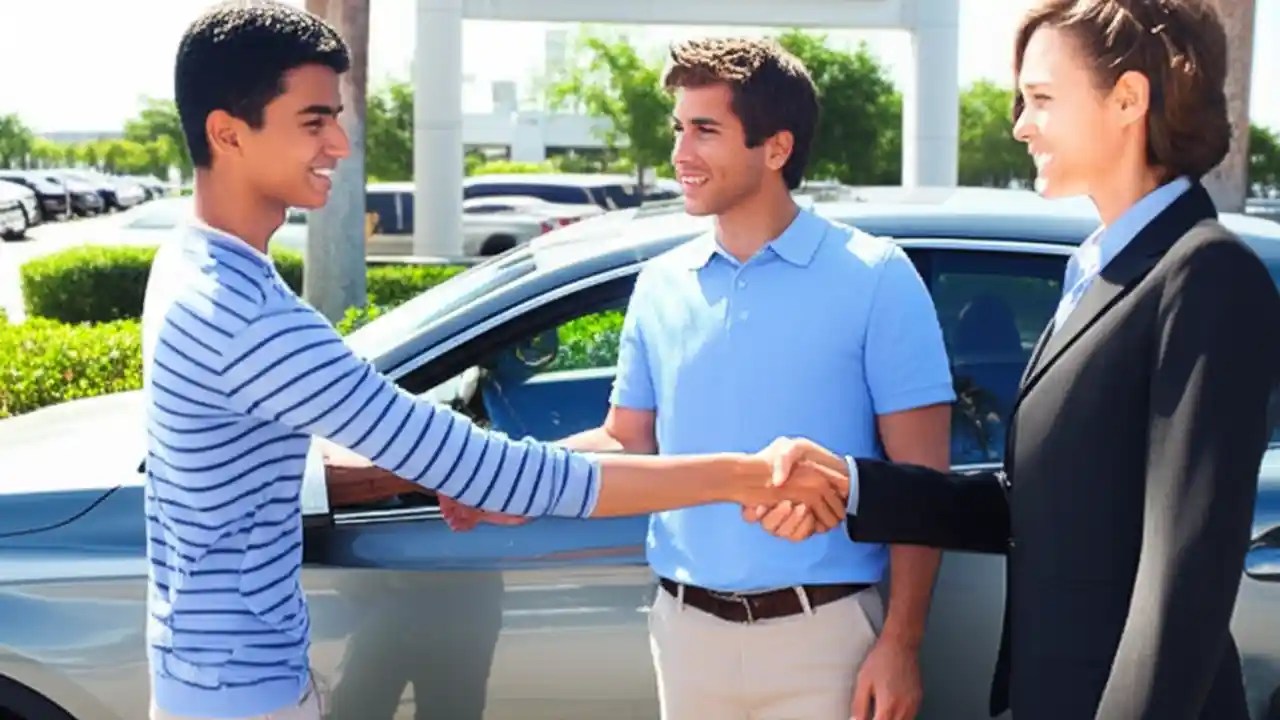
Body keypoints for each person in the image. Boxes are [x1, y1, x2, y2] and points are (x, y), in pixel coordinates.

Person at [141, 4, 847, 719]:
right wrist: (747, 475)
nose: (341, 144)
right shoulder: (246, 317)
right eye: (313, 121)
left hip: (213, 684)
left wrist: (408, 471)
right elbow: (502, 475)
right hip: (241, 700)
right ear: (228, 133)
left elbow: (271, 451)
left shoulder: (189, 264)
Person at [755, 1, 1280, 718]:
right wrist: (852, 486)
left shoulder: (1204, 273)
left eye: (1041, 99)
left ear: (1128, 99)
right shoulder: (1100, 270)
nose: (1020, 125)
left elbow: (1183, 579)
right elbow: (1036, 502)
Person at [442, 37, 956, 720]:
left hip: (827, 638)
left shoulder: (877, 277)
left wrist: (901, 642)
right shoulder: (660, 283)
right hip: (685, 634)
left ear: (776, 148)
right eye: (678, 128)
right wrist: (508, 479)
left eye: (705, 130)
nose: (680, 153)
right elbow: (627, 440)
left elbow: (924, 484)